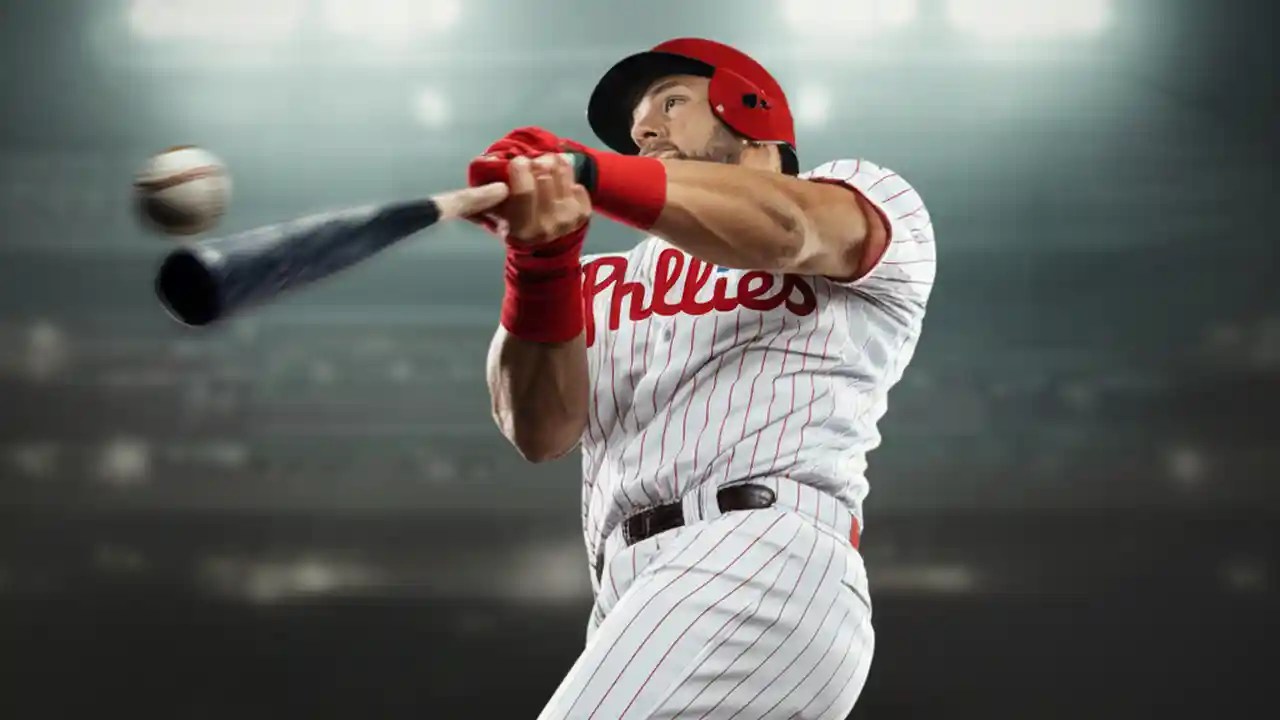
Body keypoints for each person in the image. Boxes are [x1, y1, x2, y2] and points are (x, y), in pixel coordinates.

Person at [467, 38, 936, 719]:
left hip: (760, 550)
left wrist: (586, 171)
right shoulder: (599, 282)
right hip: (629, 594)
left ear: (751, 107)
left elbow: (787, 225)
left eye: (670, 101)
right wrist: (541, 264)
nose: (642, 129)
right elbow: (536, 430)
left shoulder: (861, 193)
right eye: (634, 125)